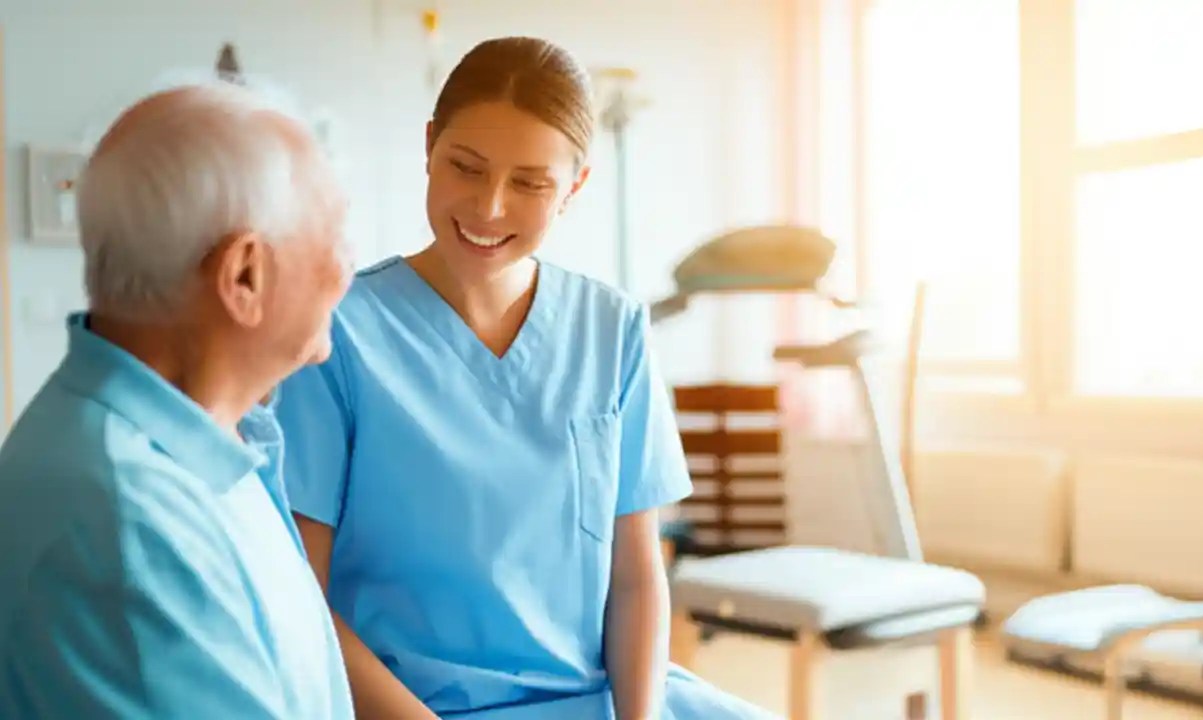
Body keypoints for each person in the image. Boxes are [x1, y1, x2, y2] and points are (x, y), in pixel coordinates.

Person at [274, 36, 779, 720]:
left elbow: (635, 580)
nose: (488, 208)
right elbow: (301, 596)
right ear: (429, 146)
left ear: (574, 186)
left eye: (530, 183)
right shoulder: (335, 336)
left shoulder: (614, 330)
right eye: (466, 168)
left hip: (606, 701)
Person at [0, 84, 356, 719]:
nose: (347, 266)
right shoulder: (127, 521)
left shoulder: (199, 448)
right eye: (332, 233)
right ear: (244, 275)